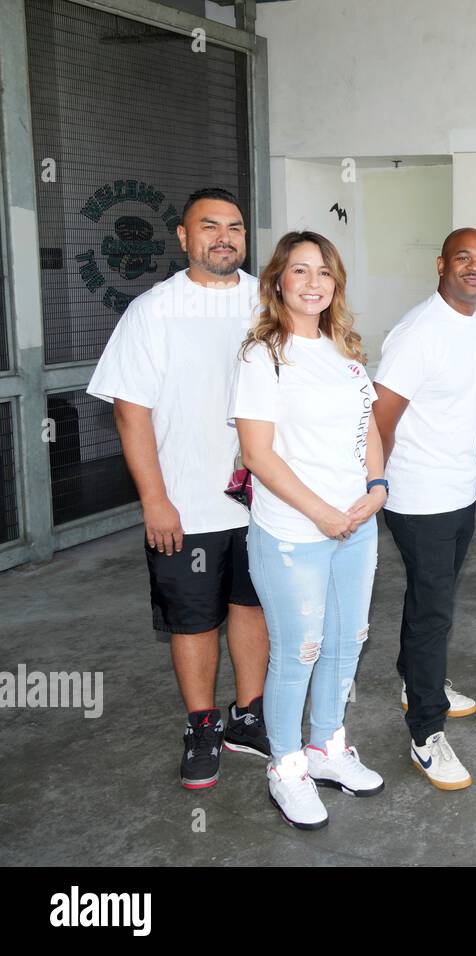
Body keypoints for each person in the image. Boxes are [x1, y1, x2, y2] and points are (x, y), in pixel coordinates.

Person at [88, 187, 270, 790]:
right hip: (185, 503)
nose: (225, 237)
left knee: (252, 606)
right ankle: (202, 724)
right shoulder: (152, 311)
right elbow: (130, 412)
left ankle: (249, 715)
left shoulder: (268, 303)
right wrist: (154, 499)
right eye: (209, 226)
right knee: (193, 620)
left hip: (264, 500)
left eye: (235, 227)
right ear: (184, 239)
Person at [230, 231, 387, 830]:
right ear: (278, 282)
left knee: (348, 642)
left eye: (324, 272)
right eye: (300, 271)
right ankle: (287, 767)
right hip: (294, 530)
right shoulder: (262, 354)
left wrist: (377, 487)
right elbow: (257, 454)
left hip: (356, 524)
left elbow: (368, 426)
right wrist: (321, 511)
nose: (314, 282)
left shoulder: (344, 349)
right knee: (300, 651)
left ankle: (327, 747)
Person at [372, 228, 476, 791]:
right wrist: (376, 486)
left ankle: (415, 679)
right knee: (435, 612)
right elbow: (379, 419)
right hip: (418, 497)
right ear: (441, 264)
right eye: (463, 258)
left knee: (430, 601)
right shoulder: (418, 332)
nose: (475, 268)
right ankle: (426, 733)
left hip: (457, 490)